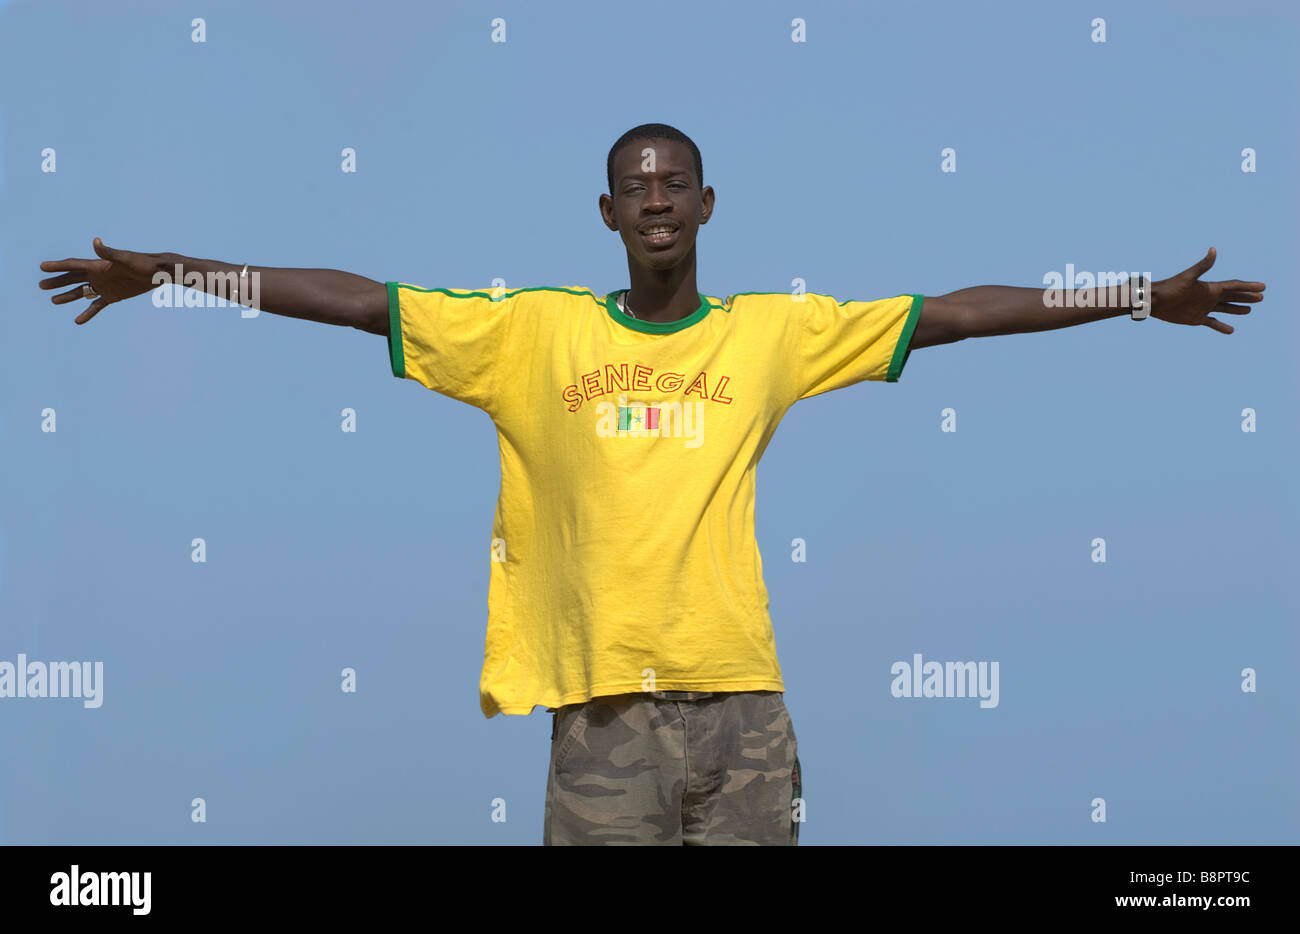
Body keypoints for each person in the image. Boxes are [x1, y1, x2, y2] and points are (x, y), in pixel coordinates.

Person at [38, 122, 1266, 846]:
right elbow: (359, 302)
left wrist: (1134, 294)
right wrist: (177, 271)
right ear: (610, 211)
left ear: (707, 202)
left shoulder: (772, 336)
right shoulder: (529, 334)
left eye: (676, 179)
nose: (659, 197)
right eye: (637, 183)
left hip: (743, 708)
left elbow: (950, 316)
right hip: (602, 718)